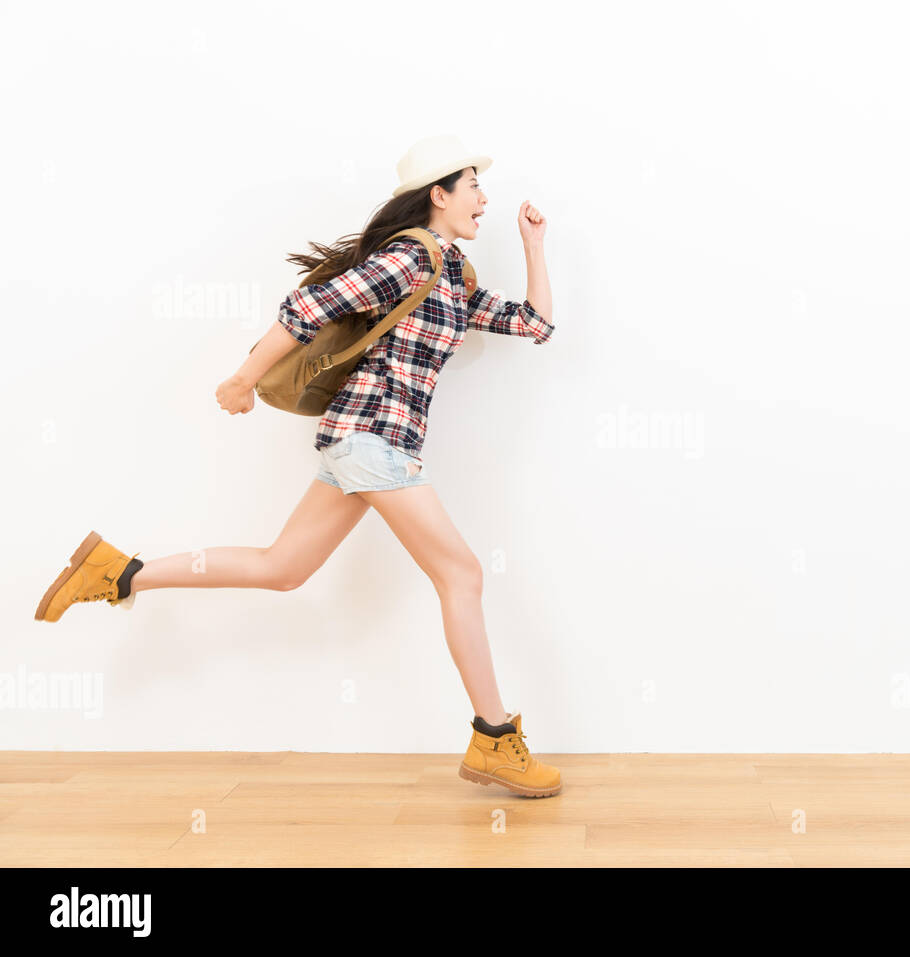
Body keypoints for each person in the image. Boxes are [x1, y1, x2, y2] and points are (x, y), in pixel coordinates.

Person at [32, 135, 562, 798]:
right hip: (372, 440)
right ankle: (494, 738)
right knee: (463, 574)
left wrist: (534, 245)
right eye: (474, 186)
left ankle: (120, 572)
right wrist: (242, 378)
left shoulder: (451, 273)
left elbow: (535, 324)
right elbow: (309, 309)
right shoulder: (410, 257)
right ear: (439, 193)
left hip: (367, 444)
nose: (484, 199)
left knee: (281, 568)